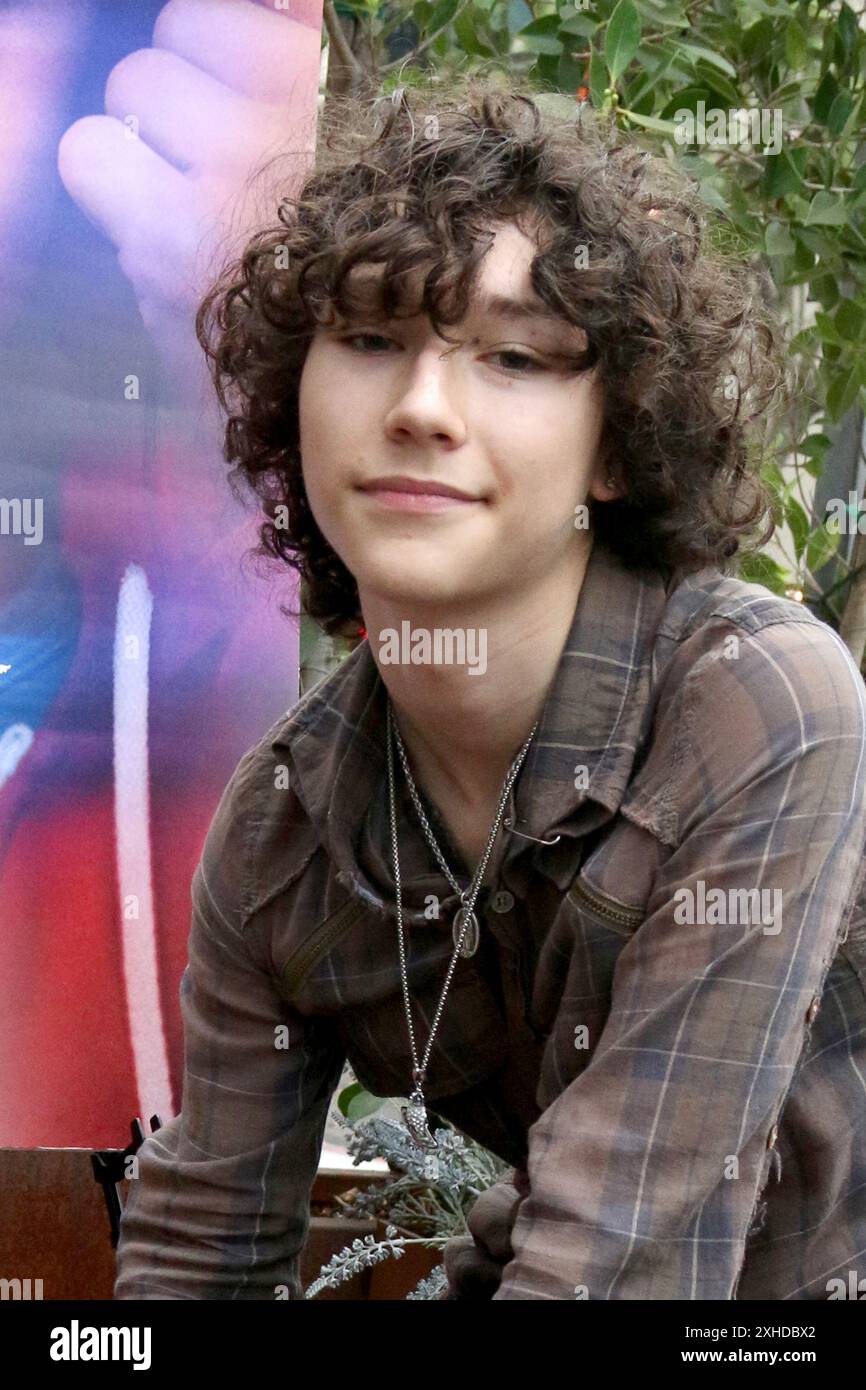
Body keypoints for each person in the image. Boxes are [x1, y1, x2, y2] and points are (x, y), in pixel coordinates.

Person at [113, 70, 866, 1301]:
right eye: (367, 338)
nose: (420, 408)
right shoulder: (282, 830)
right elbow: (196, 1253)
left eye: (513, 356)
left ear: (614, 443)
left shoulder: (752, 704)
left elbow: (621, 1252)